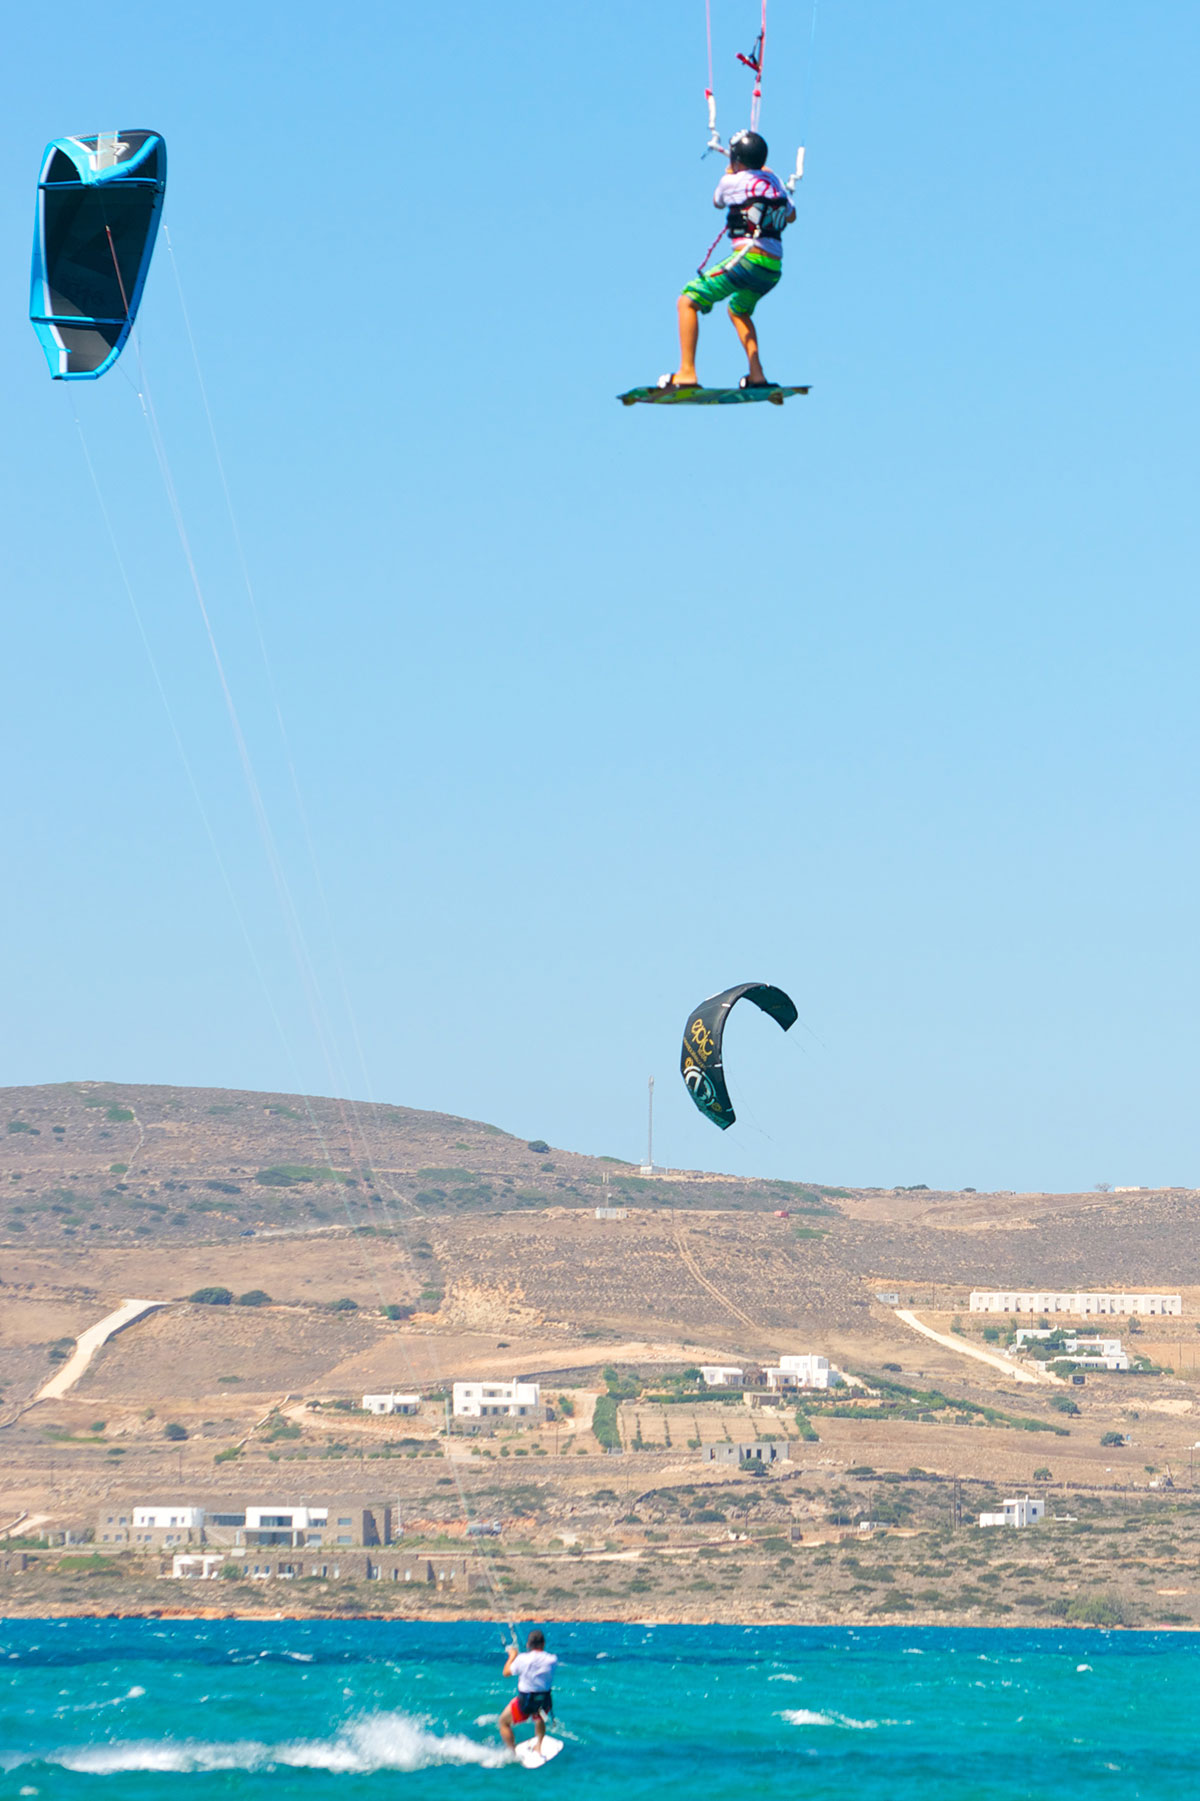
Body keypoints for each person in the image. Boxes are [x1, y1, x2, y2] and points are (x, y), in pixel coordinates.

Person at [665, 128, 796, 392]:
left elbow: (717, 201)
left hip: (747, 263)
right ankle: (757, 374)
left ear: (735, 161)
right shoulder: (777, 186)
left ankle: (687, 372)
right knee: (739, 310)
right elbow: (791, 215)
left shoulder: (731, 182)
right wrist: (769, 176)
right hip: (772, 270)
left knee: (687, 300)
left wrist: (730, 174)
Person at [498, 1628, 558, 1756]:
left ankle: (512, 1752)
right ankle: (539, 1745)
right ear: (543, 1644)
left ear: (528, 1645)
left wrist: (512, 1656)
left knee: (503, 1722)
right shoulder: (553, 1659)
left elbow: (506, 1672)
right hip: (544, 1701)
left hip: (525, 1702)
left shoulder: (522, 1659)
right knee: (539, 1716)